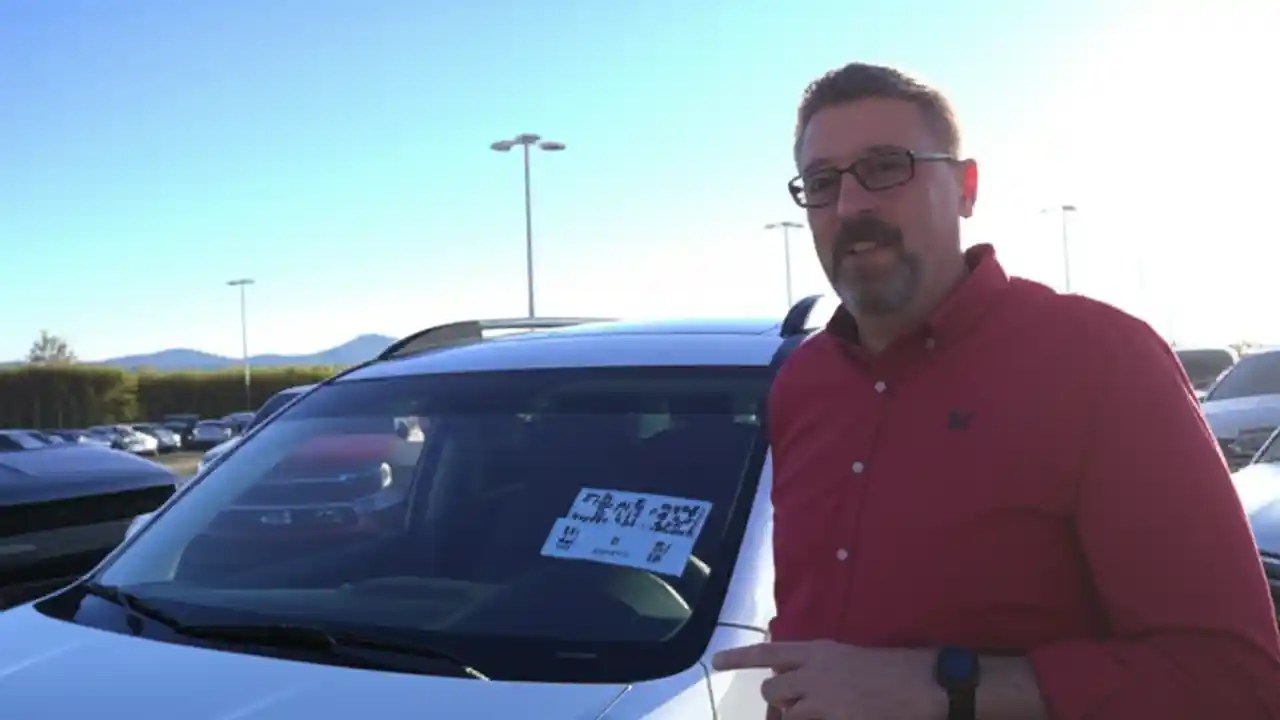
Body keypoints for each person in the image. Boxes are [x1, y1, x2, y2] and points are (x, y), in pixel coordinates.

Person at [711, 61, 1280, 719]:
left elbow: (1234, 681)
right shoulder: (803, 385)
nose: (851, 205)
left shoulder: (1100, 362)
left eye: (886, 166)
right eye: (821, 182)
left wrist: (946, 687)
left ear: (966, 188)